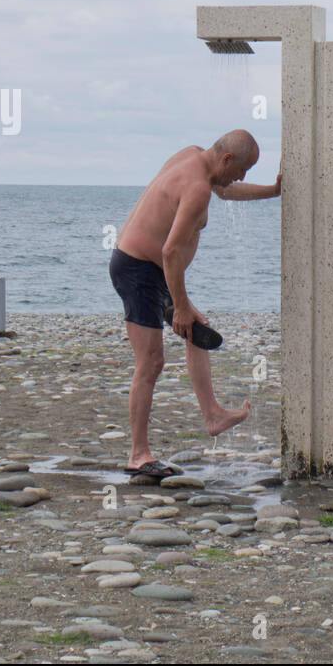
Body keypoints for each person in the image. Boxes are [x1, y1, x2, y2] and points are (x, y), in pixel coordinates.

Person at [109, 130, 281, 477]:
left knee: (196, 331)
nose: (242, 177)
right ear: (227, 159)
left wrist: (273, 191)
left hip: (150, 269)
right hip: (138, 270)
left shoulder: (192, 157)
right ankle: (138, 455)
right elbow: (170, 250)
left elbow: (226, 190)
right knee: (151, 361)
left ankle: (213, 415)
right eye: (243, 169)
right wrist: (181, 305)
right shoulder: (198, 188)